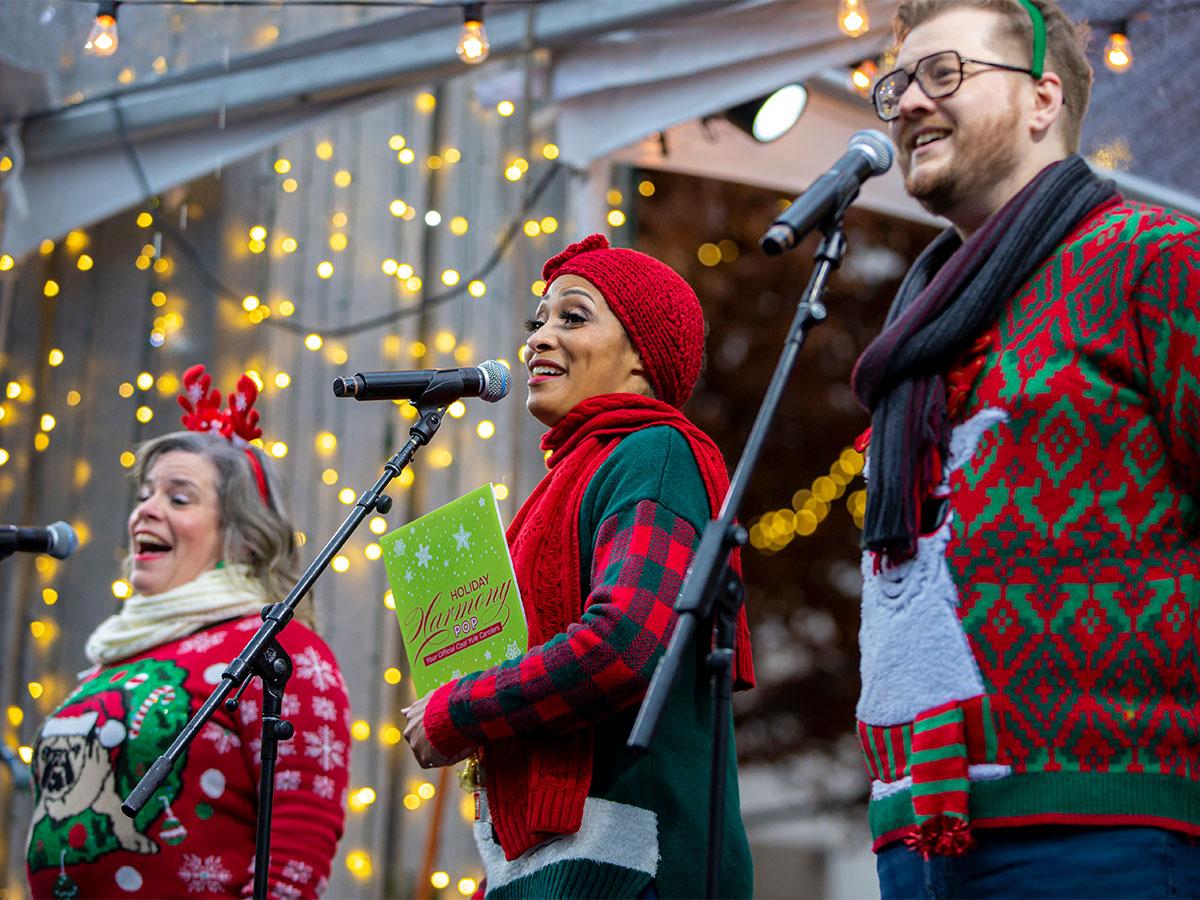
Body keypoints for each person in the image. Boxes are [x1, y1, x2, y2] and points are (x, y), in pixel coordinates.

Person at [850, 0, 1200, 896]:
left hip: (1108, 825)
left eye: (945, 75)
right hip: (917, 833)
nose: (908, 105)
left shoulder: (1153, 262)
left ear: (1043, 100)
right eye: (898, 84)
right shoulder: (916, 334)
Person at [402, 234, 756, 898]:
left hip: (632, 865)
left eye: (572, 316)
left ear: (642, 357)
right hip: (553, 863)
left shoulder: (656, 453)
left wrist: (460, 708)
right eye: (536, 323)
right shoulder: (565, 482)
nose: (537, 339)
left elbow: (622, 644)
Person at [25, 366, 350, 899]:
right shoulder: (115, 654)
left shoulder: (277, 648)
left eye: (178, 499)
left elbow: (300, 828)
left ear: (243, 538)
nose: (144, 512)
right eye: (145, 495)